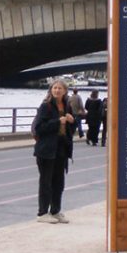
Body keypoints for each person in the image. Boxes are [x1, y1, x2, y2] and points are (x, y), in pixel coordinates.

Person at [32, 78, 75, 223]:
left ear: (65, 91)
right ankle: (42, 213)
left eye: (60, 88)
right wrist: (58, 121)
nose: (57, 90)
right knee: (46, 182)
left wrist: (71, 121)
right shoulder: (46, 106)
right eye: (54, 88)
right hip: (46, 149)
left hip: (61, 148)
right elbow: (39, 128)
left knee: (59, 182)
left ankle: (55, 211)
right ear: (51, 90)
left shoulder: (67, 105)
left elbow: (68, 130)